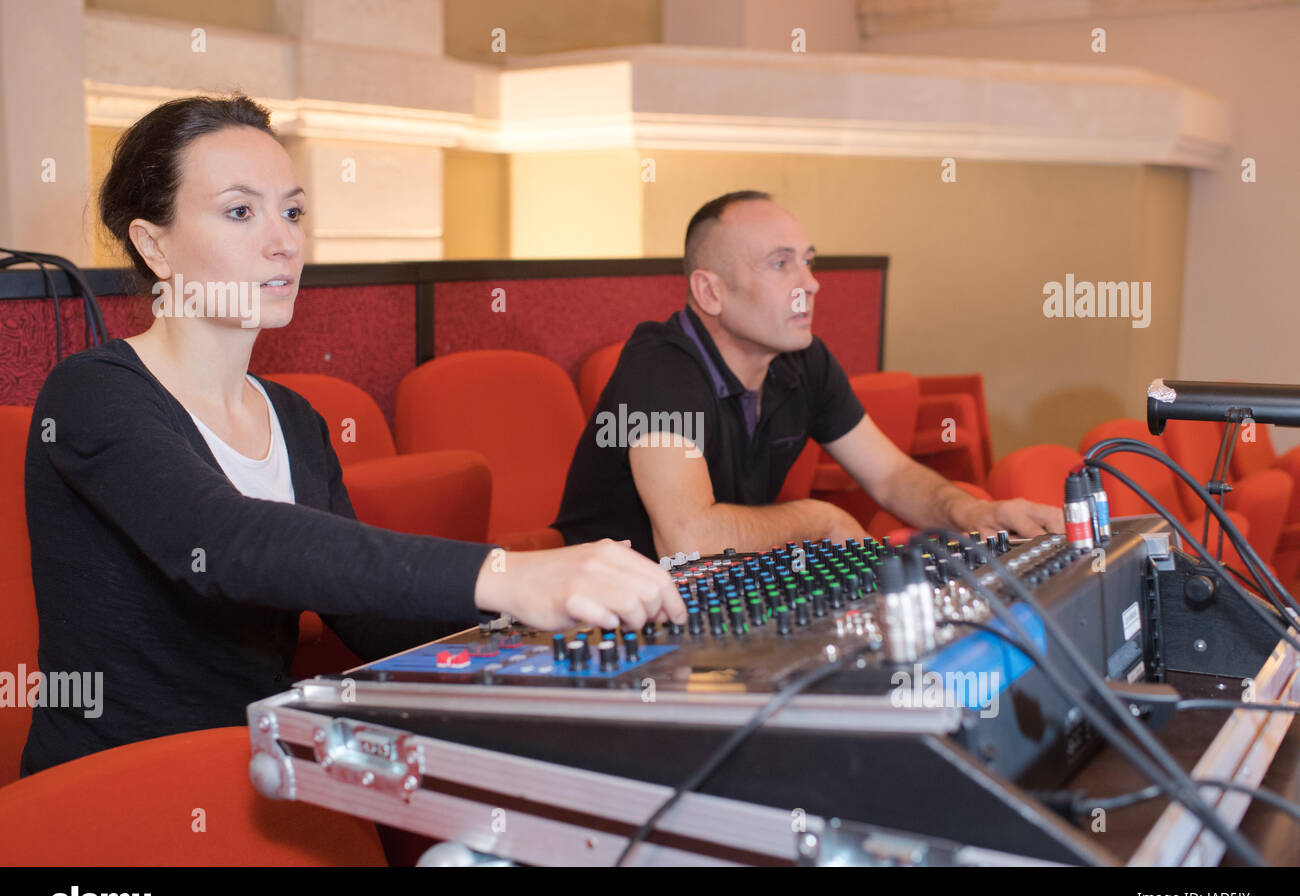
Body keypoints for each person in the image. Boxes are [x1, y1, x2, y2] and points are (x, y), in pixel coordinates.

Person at [20, 95, 684, 777]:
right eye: (241, 212)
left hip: (259, 771)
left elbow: (367, 617)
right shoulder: (91, 393)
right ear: (154, 245)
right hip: (120, 791)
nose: (283, 240)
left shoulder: (297, 420)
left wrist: (550, 639)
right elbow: (224, 543)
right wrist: (511, 575)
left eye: (294, 211)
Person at [553, 190, 1064, 560]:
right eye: (780, 265)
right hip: (600, 626)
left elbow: (891, 476)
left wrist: (971, 514)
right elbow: (690, 540)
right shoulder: (659, 369)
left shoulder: (803, 360)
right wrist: (818, 520)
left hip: (715, 597)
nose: (812, 284)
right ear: (710, 292)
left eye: (808, 262)